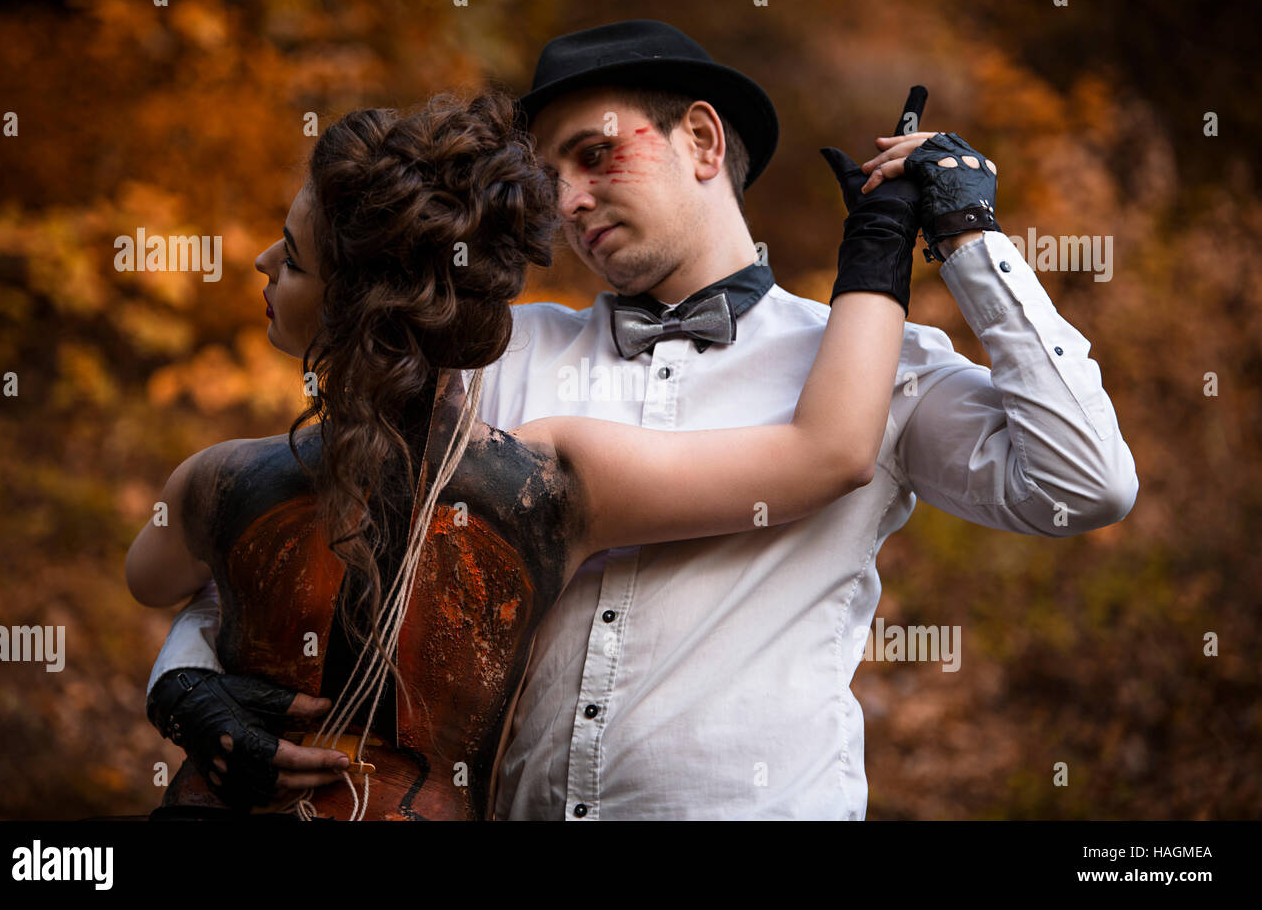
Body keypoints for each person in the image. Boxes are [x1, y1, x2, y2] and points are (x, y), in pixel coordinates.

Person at [145, 20, 1139, 820]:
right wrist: (189, 680)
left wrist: (968, 241)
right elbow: (302, 531)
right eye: (550, 178)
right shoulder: (491, 353)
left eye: (594, 155)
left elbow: (1083, 484)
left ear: (701, 140)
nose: (567, 204)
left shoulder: (872, 359)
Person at [126, 88, 908, 820]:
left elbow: (159, 579)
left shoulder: (214, 478)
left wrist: (182, 681)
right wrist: (878, 248)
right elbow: (830, 453)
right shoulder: (551, 478)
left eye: (293, 259)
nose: (263, 263)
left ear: (348, 308)